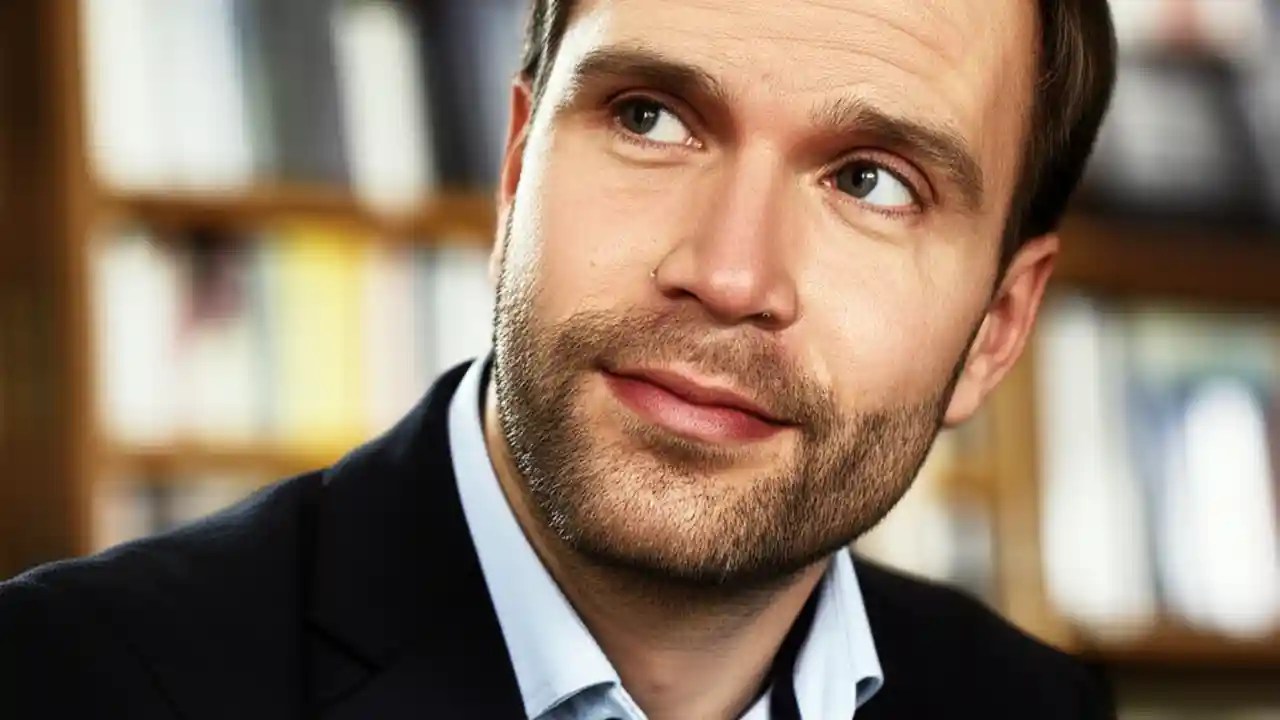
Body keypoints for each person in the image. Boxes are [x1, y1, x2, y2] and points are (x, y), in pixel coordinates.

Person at [0, 0, 1118, 717]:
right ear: (513, 173)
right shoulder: (69, 680)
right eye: (649, 118)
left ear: (997, 326)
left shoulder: (1036, 708)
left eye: (871, 183)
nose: (729, 274)